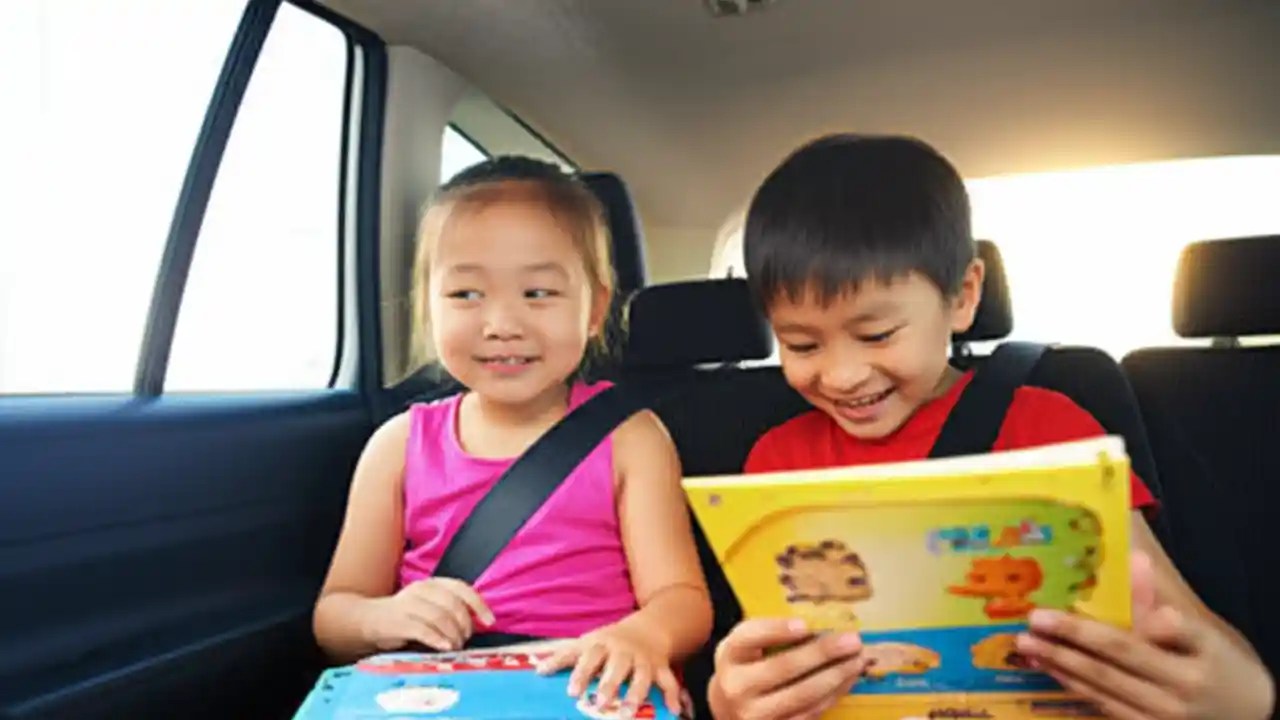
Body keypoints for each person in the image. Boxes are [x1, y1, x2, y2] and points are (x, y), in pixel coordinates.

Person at [706, 134, 1275, 720]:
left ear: (962, 297)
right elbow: (773, 651)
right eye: (801, 344)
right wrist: (733, 701)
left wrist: (1237, 694)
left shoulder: (1050, 430)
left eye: (877, 335)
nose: (842, 375)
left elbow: (1192, 635)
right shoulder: (777, 462)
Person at [312, 156, 712, 714]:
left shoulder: (630, 439)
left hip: (581, 689)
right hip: (436, 696)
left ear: (595, 309)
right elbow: (334, 614)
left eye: (539, 293)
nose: (502, 324)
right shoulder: (398, 445)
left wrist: (641, 636)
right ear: (427, 306)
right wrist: (381, 618)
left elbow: (682, 599)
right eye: (466, 294)